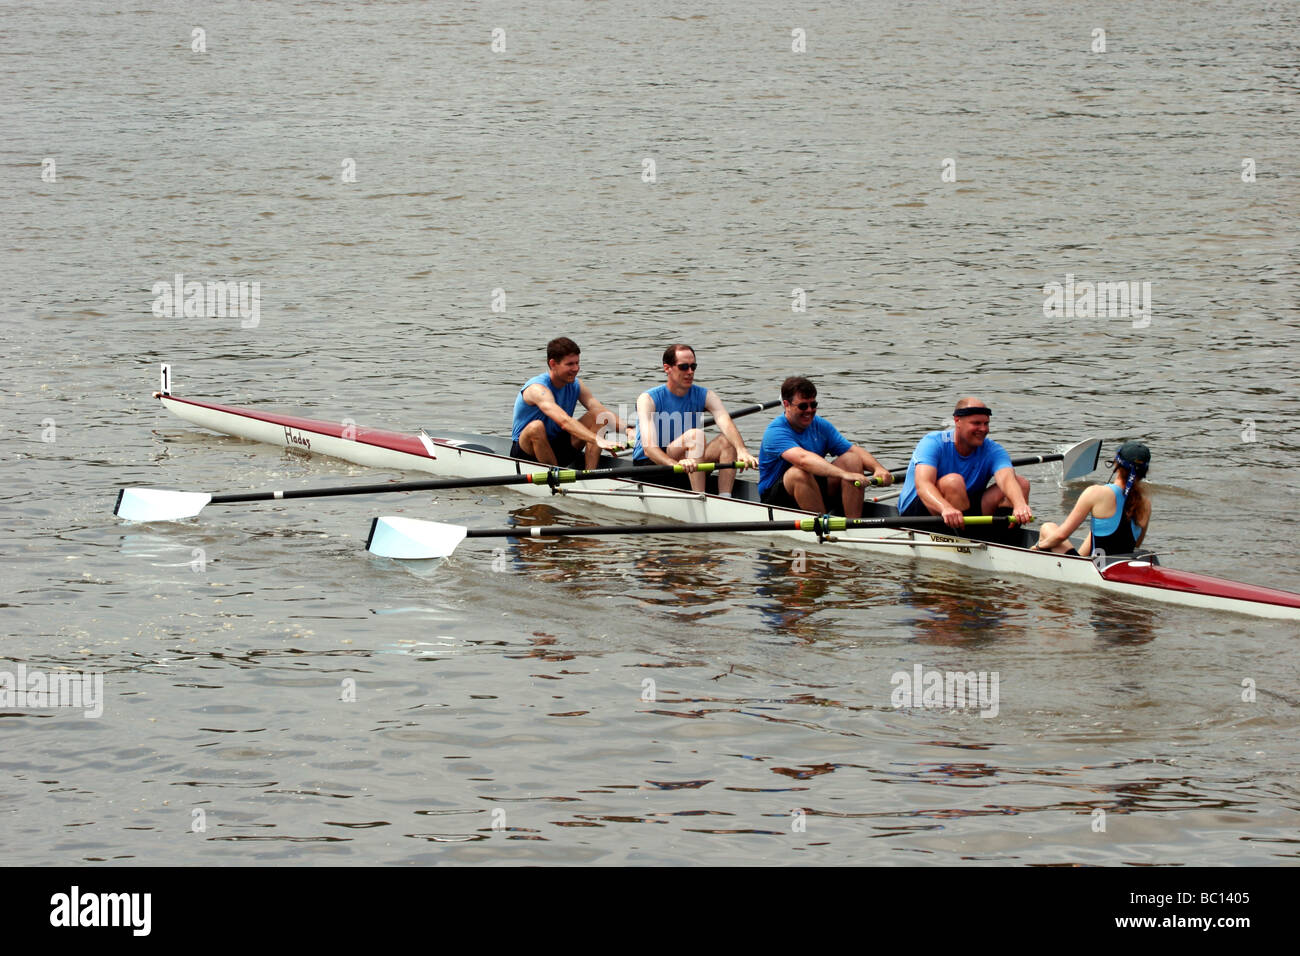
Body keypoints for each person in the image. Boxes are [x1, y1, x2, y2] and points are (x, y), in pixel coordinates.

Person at [757, 376, 894, 518]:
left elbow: (852, 450)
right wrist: (844, 474)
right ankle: (823, 528)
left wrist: (878, 468)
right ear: (786, 404)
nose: (809, 410)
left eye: (813, 405)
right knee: (798, 472)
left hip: (812, 489)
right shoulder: (775, 432)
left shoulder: (819, 425)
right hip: (776, 499)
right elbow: (803, 459)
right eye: (803, 406)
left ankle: (853, 524)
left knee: (851, 459)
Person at [632, 344, 759, 496]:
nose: (690, 372)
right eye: (684, 367)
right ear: (667, 368)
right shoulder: (648, 399)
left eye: (693, 367)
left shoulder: (704, 395)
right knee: (695, 436)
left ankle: (725, 497)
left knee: (727, 440)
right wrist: (676, 464)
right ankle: (700, 497)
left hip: (688, 462)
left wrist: (742, 450)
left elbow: (725, 421)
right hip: (652, 466)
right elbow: (649, 449)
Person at [897, 398, 1032, 529]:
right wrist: (946, 508)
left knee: (1021, 484)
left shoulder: (993, 450)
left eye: (986, 424)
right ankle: (964, 537)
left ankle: (1004, 539)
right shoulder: (933, 442)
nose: (983, 429)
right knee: (953, 482)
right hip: (920, 511)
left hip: (963, 509)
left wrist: (1020, 504)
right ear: (957, 421)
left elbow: (1007, 479)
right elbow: (923, 485)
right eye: (976, 423)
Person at [510, 337, 632, 470]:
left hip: (558, 449)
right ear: (553, 364)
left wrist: (628, 430)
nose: (576, 368)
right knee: (536, 427)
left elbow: (600, 411)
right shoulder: (537, 389)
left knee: (597, 416)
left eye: (577, 363)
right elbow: (564, 421)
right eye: (570, 364)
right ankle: (555, 479)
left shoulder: (576, 384)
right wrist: (597, 440)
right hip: (527, 454)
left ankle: (590, 475)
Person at [1033, 441, 1151, 557]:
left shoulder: (1096, 492)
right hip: (1120, 567)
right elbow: (1136, 544)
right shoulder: (1146, 503)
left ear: (1116, 464)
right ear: (1144, 472)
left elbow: (1061, 536)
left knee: (1047, 527)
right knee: (1101, 528)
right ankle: (1081, 559)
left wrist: (1038, 547)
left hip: (1097, 568)